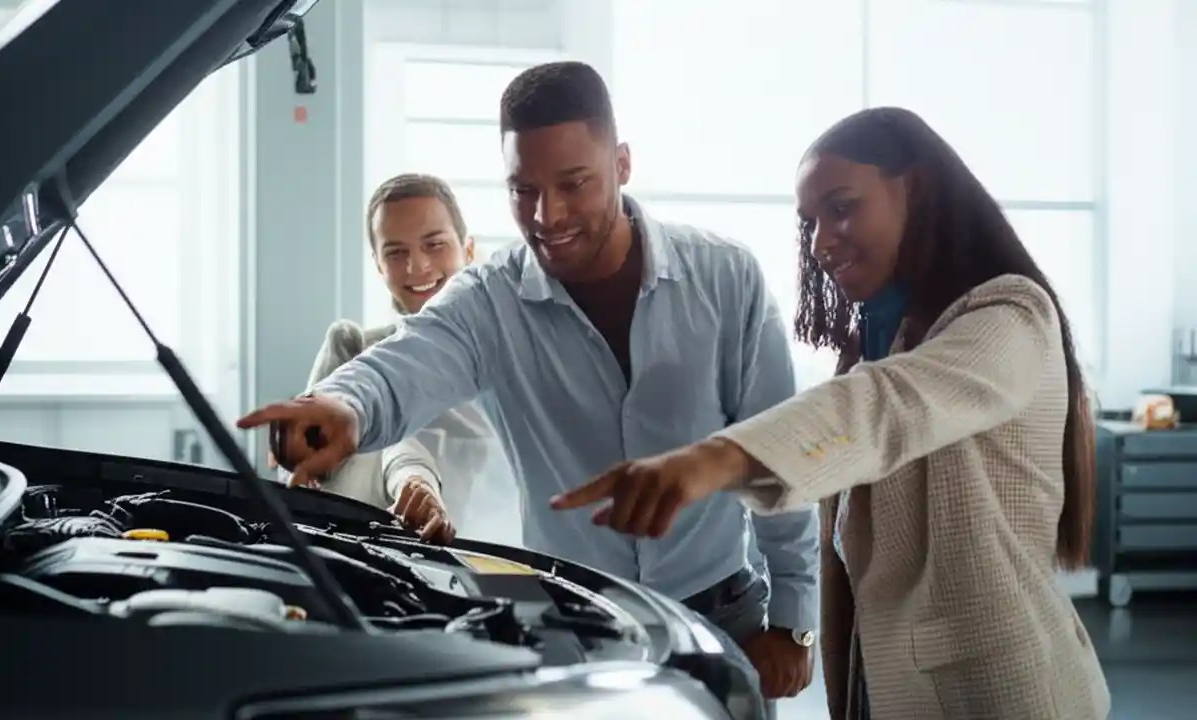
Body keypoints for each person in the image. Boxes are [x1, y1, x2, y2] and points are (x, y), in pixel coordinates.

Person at [239, 61, 819, 707]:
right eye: (523, 191)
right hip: (574, 624)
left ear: (622, 164)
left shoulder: (726, 278)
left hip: (723, 619)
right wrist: (344, 406)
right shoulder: (489, 302)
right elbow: (408, 357)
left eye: (574, 184)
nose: (547, 214)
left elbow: (778, 446)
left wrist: (794, 618)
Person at [552, 106, 1111, 720]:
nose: (819, 242)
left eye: (841, 208)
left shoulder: (1012, 316)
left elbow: (885, 405)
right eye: (810, 222)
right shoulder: (889, 339)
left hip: (1000, 692)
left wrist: (709, 459)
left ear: (915, 189)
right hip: (887, 685)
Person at [278, 173, 521, 546]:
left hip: (499, 566)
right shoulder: (354, 352)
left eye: (434, 244)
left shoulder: (519, 356)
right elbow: (301, 477)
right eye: (396, 253)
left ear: (468, 250)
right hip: (380, 564)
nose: (417, 267)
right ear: (378, 264)